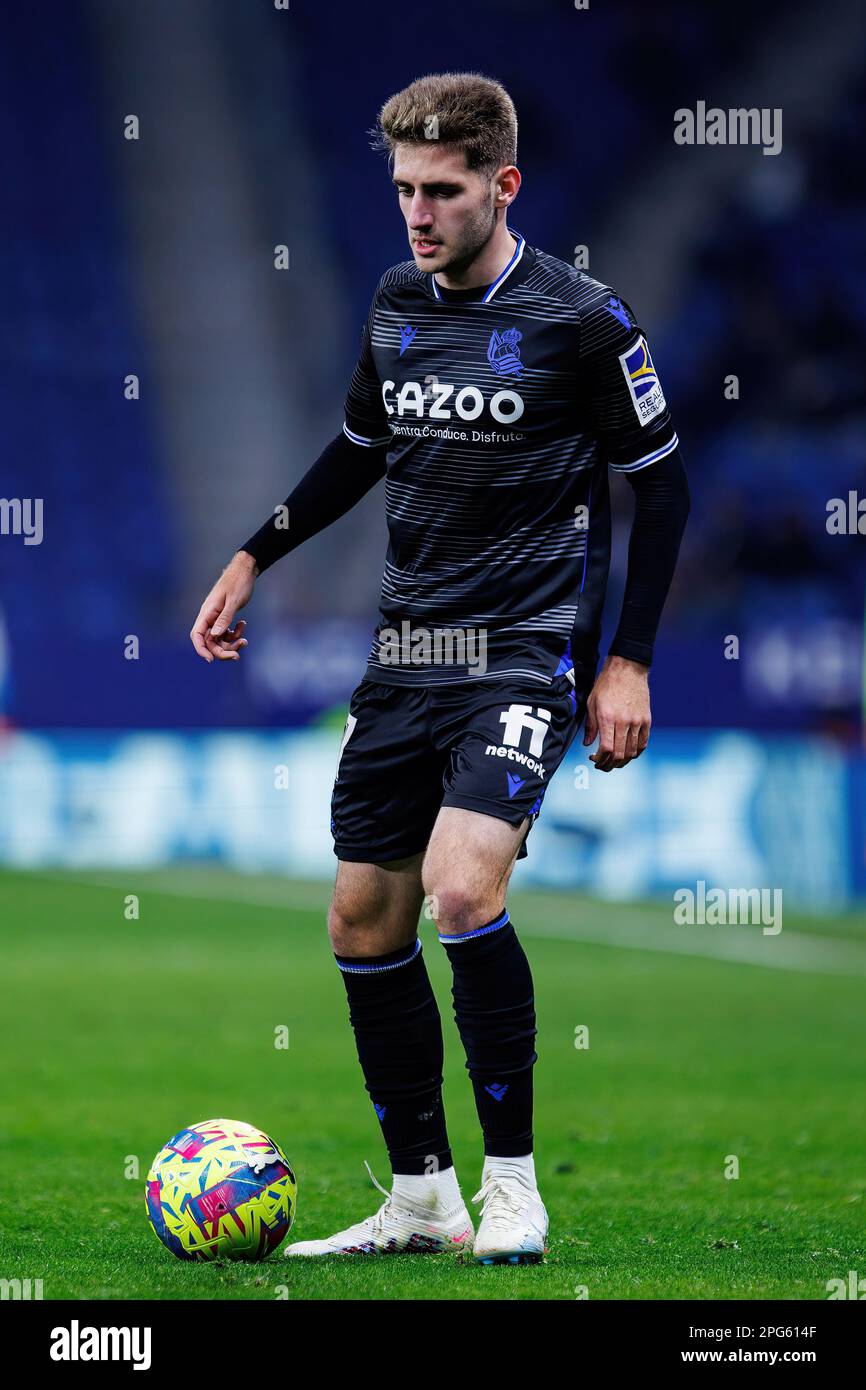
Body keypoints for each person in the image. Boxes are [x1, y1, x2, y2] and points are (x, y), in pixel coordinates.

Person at [190, 71, 690, 1265]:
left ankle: (512, 1186)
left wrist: (624, 661)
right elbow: (362, 445)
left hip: (522, 647)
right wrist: (258, 550)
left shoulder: (583, 320)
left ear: (501, 185)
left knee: (462, 888)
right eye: (404, 189)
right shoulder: (393, 301)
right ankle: (420, 1197)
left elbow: (659, 484)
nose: (417, 212)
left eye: (443, 191)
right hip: (409, 650)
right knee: (364, 918)